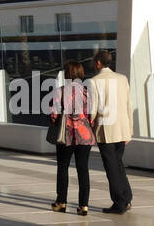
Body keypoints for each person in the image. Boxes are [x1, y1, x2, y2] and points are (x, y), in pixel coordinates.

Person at [90, 49, 134, 214]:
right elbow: (129, 105)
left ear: (98, 63)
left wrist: (89, 127)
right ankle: (126, 197)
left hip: (105, 129)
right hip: (121, 128)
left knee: (111, 168)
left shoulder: (94, 81)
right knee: (118, 164)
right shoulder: (122, 79)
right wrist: (129, 130)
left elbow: (93, 109)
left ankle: (119, 202)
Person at [50, 60, 96, 216]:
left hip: (66, 136)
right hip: (84, 136)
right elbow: (91, 116)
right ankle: (84, 205)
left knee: (63, 168)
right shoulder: (86, 92)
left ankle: (61, 202)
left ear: (67, 74)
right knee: (83, 169)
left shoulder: (60, 91)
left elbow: (54, 114)